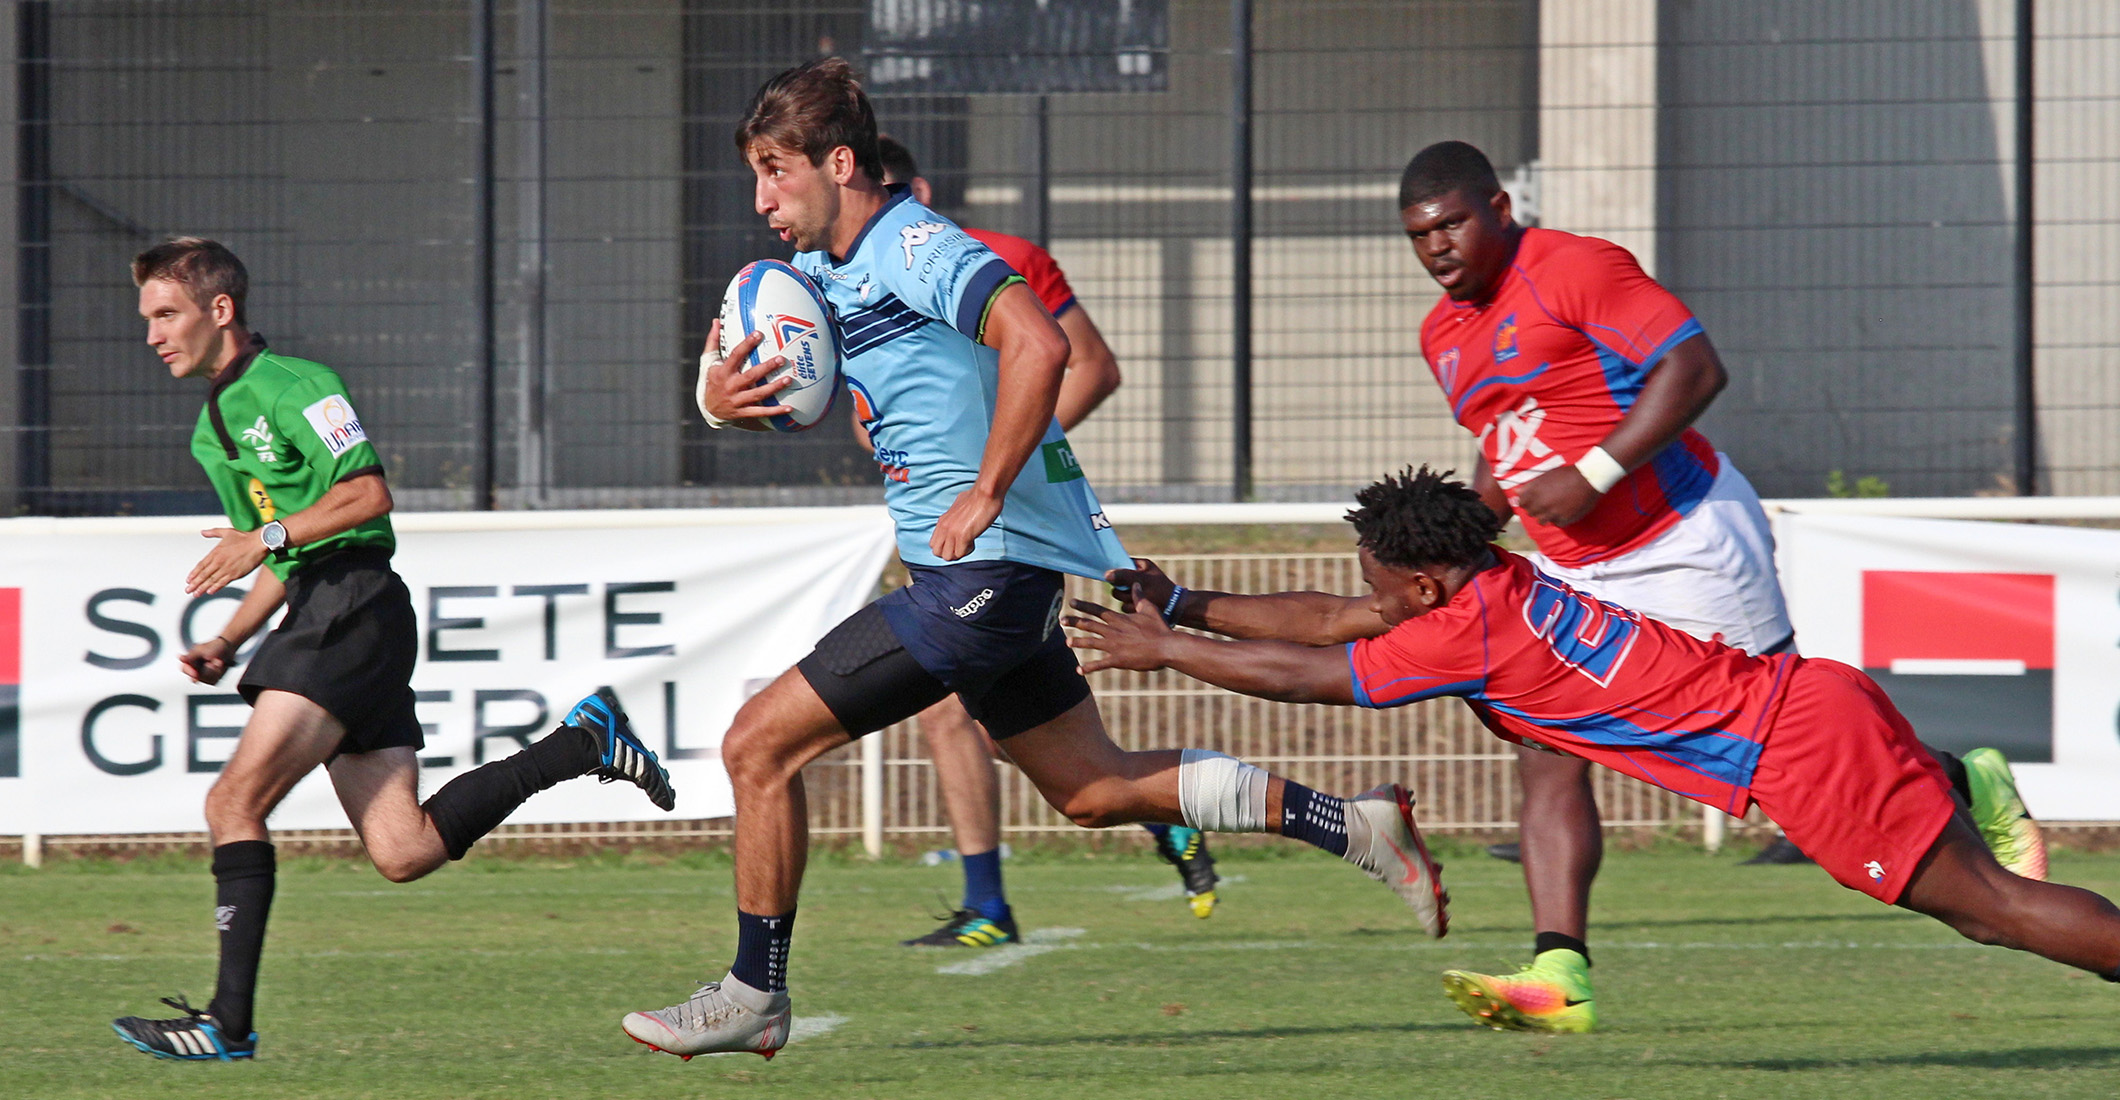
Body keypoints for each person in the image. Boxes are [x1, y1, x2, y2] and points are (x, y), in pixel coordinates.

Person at [620, 59, 1446, 1062]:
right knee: (1092, 789)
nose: (758, 199)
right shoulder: (827, 274)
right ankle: (1355, 824)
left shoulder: (915, 244)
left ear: (838, 163)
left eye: (772, 170)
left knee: (757, 742)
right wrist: (715, 398)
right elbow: (776, 380)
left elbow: (1038, 345)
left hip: (984, 571)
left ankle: (755, 989)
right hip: (973, 575)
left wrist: (983, 489)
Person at [1388, 141, 2044, 1031]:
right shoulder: (1443, 334)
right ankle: (1560, 977)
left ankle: (1963, 785)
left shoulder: (1572, 266)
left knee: (1796, 750)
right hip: (1579, 569)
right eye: (1420, 235)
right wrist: (1468, 526)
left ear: (1500, 207)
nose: (1437, 248)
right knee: (1545, 748)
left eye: (1452, 224)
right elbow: (1506, 437)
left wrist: (1594, 475)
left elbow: (1695, 368)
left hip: (1686, 537)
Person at [1068, 467, 2120, 1011]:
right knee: (1988, 914)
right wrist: (1189, 601)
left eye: (1378, 580)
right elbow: (1327, 621)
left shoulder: (1463, 633)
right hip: (1811, 698)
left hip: (1797, 750)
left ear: (1423, 583)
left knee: (1999, 909)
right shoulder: (1489, 582)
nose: (1366, 594)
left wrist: (1163, 653)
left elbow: (1311, 674)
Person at [113, 238, 676, 1062]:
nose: (154, 333)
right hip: (325, 606)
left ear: (220, 310)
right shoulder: (211, 428)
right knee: (403, 850)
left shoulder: (300, 385)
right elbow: (280, 551)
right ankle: (583, 742)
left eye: (166, 314)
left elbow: (368, 493)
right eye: (148, 319)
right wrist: (230, 637)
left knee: (233, 804)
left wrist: (265, 537)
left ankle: (225, 1026)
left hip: (354, 604)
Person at [872, 135, 1219, 946]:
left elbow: (1089, 364)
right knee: (985, 725)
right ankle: (1150, 812)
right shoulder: (845, 282)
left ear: (916, 189)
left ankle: (996, 897)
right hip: (942, 528)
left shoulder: (993, 259)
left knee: (951, 712)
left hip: (1005, 528)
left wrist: (1006, 457)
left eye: (890, 192)